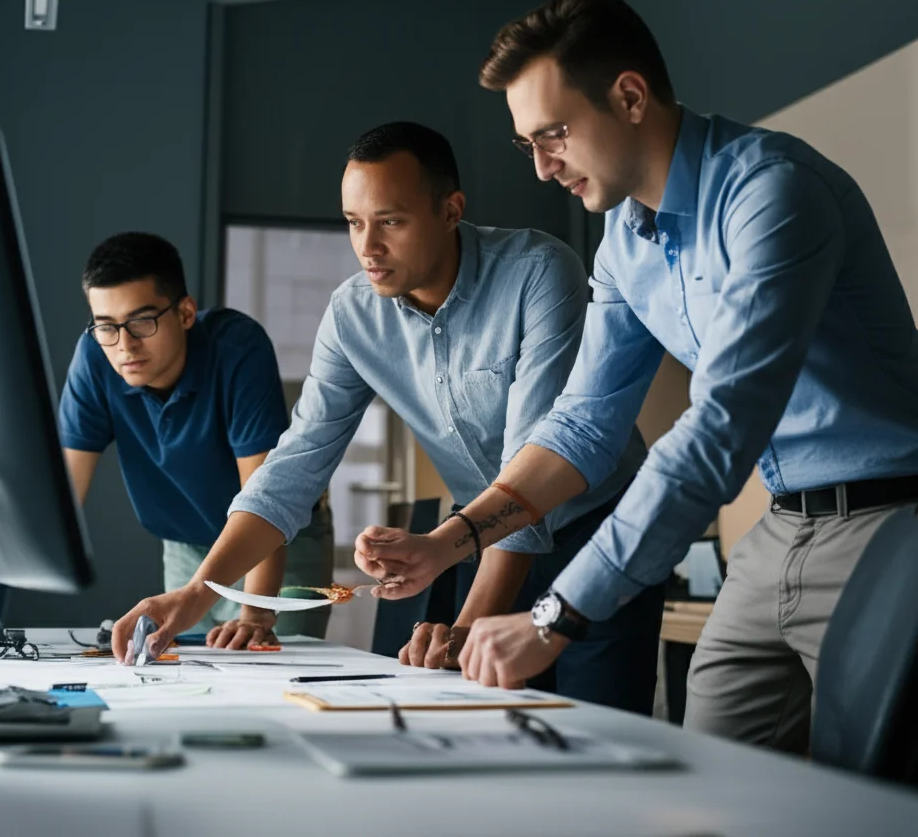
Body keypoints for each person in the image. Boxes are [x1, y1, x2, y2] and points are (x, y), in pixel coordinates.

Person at [354, 0, 918, 752]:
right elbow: (583, 424)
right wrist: (449, 542)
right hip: (780, 527)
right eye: (529, 145)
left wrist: (559, 612)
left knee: (871, 796)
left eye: (553, 134)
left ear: (628, 96)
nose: (546, 168)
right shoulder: (625, 242)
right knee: (705, 780)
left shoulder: (771, 193)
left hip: (890, 530)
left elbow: (722, 425)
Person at [110, 122, 660, 712]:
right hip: (472, 538)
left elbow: (529, 466)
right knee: (478, 730)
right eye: (354, 222)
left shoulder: (539, 272)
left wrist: (466, 628)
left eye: (390, 221)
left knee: (594, 733)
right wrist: (198, 593)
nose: (367, 247)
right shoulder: (352, 316)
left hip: (597, 532)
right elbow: (294, 465)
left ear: (450, 211)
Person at [59, 231, 334, 646]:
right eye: (107, 327)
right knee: (187, 680)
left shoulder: (238, 349)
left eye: (142, 322)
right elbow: (65, 498)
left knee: (269, 671)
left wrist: (256, 612)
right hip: (186, 548)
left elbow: (269, 497)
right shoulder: (95, 357)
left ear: (185, 313)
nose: (124, 345)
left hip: (278, 543)